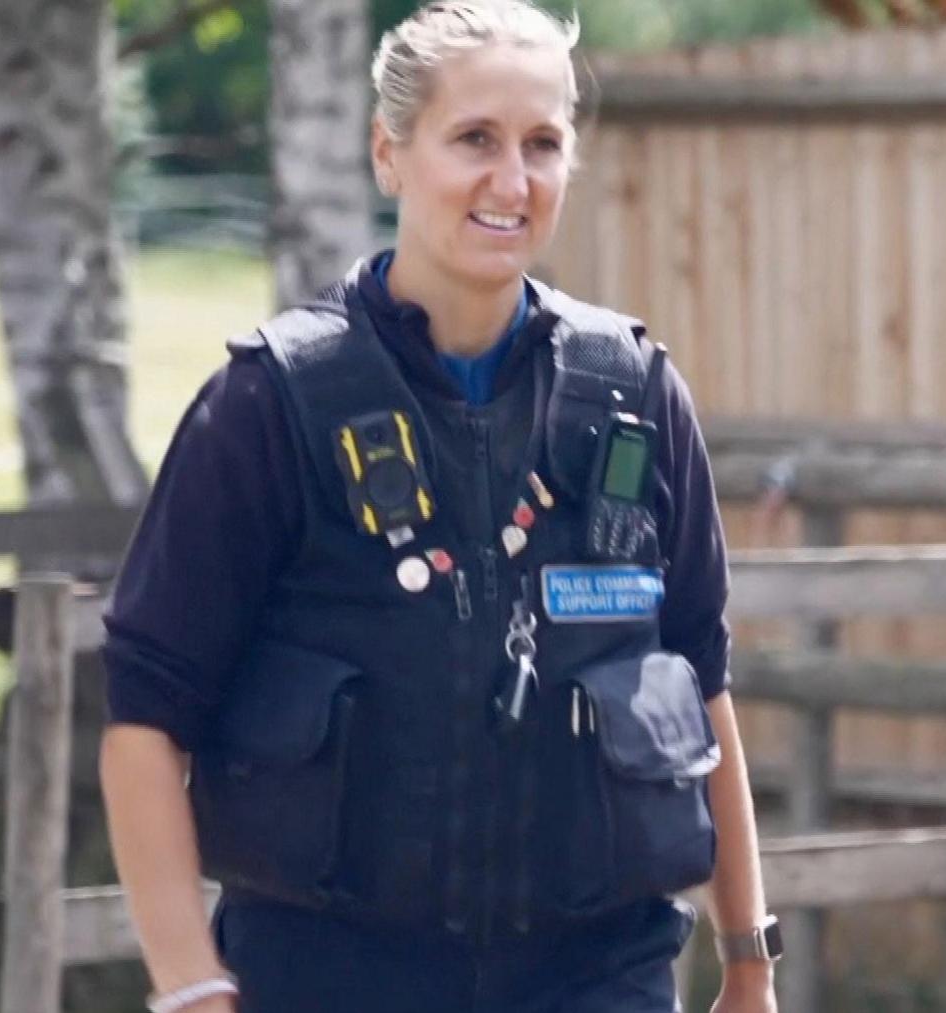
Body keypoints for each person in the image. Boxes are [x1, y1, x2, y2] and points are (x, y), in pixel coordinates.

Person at [99, 3, 780, 1011]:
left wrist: (750, 962)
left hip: (597, 976)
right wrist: (192, 987)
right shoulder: (269, 403)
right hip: (328, 977)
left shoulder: (634, 393)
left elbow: (703, 681)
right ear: (390, 154)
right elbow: (146, 717)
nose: (512, 181)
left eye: (543, 144)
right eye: (475, 140)